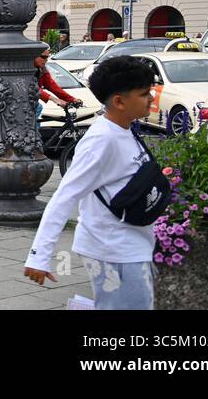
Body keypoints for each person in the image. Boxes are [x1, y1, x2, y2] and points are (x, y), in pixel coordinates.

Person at [24, 56, 165, 309]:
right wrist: (39, 257)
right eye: (144, 93)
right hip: (113, 248)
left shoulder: (125, 129)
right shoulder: (101, 140)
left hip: (130, 244)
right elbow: (64, 197)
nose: (151, 98)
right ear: (120, 102)